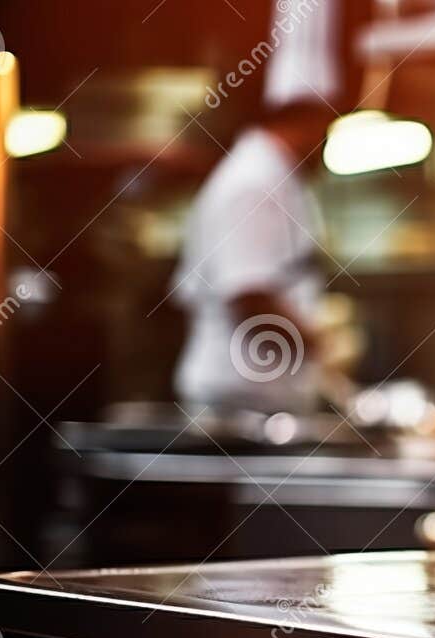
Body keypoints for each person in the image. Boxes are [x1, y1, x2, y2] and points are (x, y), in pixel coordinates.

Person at [171, 0, 343, 414]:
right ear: (310, 123)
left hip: (261, 403)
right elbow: (249, 294)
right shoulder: (254, 180)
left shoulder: (278, 177)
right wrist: (320, 343)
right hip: (236, 407)